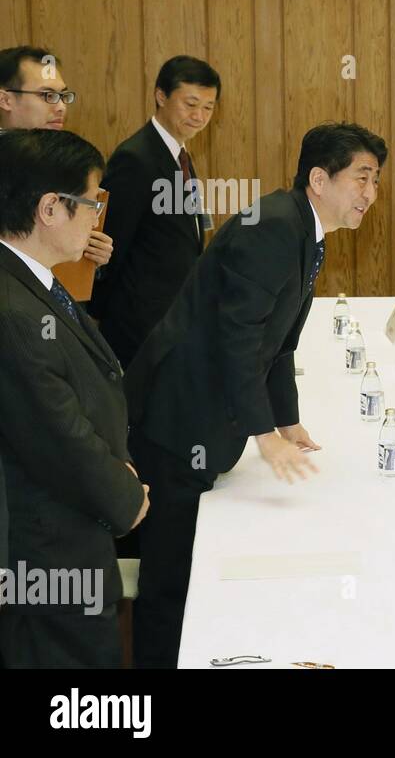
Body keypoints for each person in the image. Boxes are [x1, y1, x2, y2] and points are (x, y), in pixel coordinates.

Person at [125, 122, 388, 668]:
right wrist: (262, 434)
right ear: (319, 178)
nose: (371, 194)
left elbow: (279, 342)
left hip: (201, 413)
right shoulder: (271, 227)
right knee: (170, 578)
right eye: (362, 178)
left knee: (186, 568)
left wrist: (286, 422)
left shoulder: (302, 228)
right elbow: (237, 338)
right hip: (180, 418)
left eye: (377, 181)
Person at [0, 129, 149, 667]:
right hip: (49, 552)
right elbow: (56, 430)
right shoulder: (13, 310)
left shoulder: (34, 281)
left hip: (71, 528)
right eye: (91, 202)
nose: (97, 217)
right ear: (49, 209)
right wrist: (125, 495)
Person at [93, 55, 221, 367]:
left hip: (172, 314)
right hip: (139, 324)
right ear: (160, 96)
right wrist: (103, 317)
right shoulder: (136, 158)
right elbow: (111, 246)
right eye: (190, 104)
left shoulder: (179, 153)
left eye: (208, 106)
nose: (199, 116)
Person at [0, 46, 113, 271]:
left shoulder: (65, 161)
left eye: (63, 96)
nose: (61, 107)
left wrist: (87, 253)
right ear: (5, 99)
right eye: (47, 96)